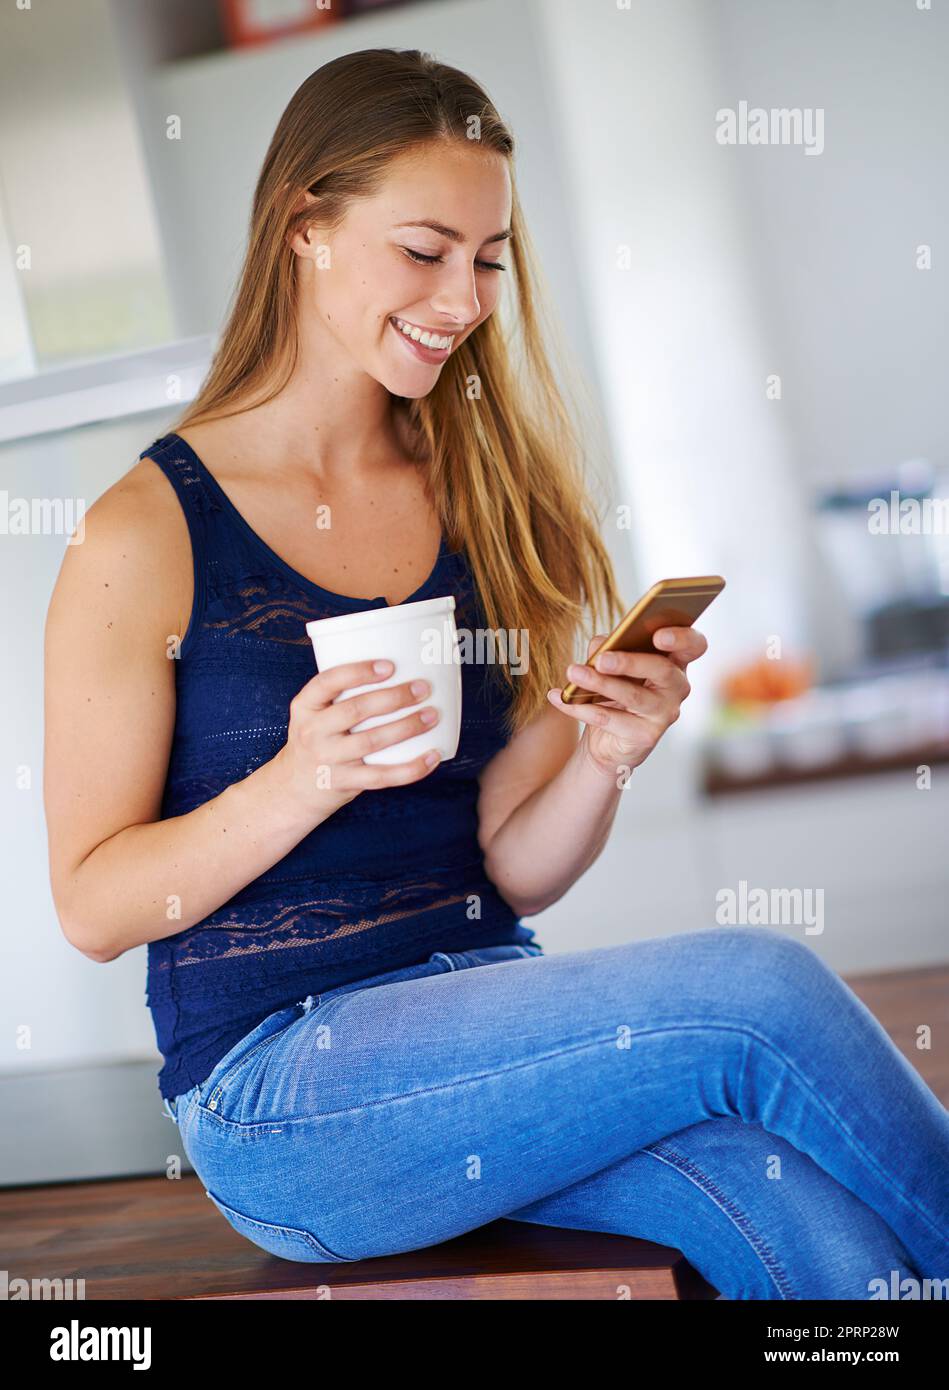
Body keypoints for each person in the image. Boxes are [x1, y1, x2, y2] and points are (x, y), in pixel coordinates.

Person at [43, 49, 948, 1300]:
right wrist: (303, 778)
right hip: (280, 1095)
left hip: (488, 1024)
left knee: (802, 1217)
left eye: (488, 258)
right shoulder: (142, 533)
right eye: (423, 251)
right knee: (760, 989)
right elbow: (91, 908)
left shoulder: (488, 500)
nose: (463, 297)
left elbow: (510, 863)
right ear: (304, 226)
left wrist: (603, 758)